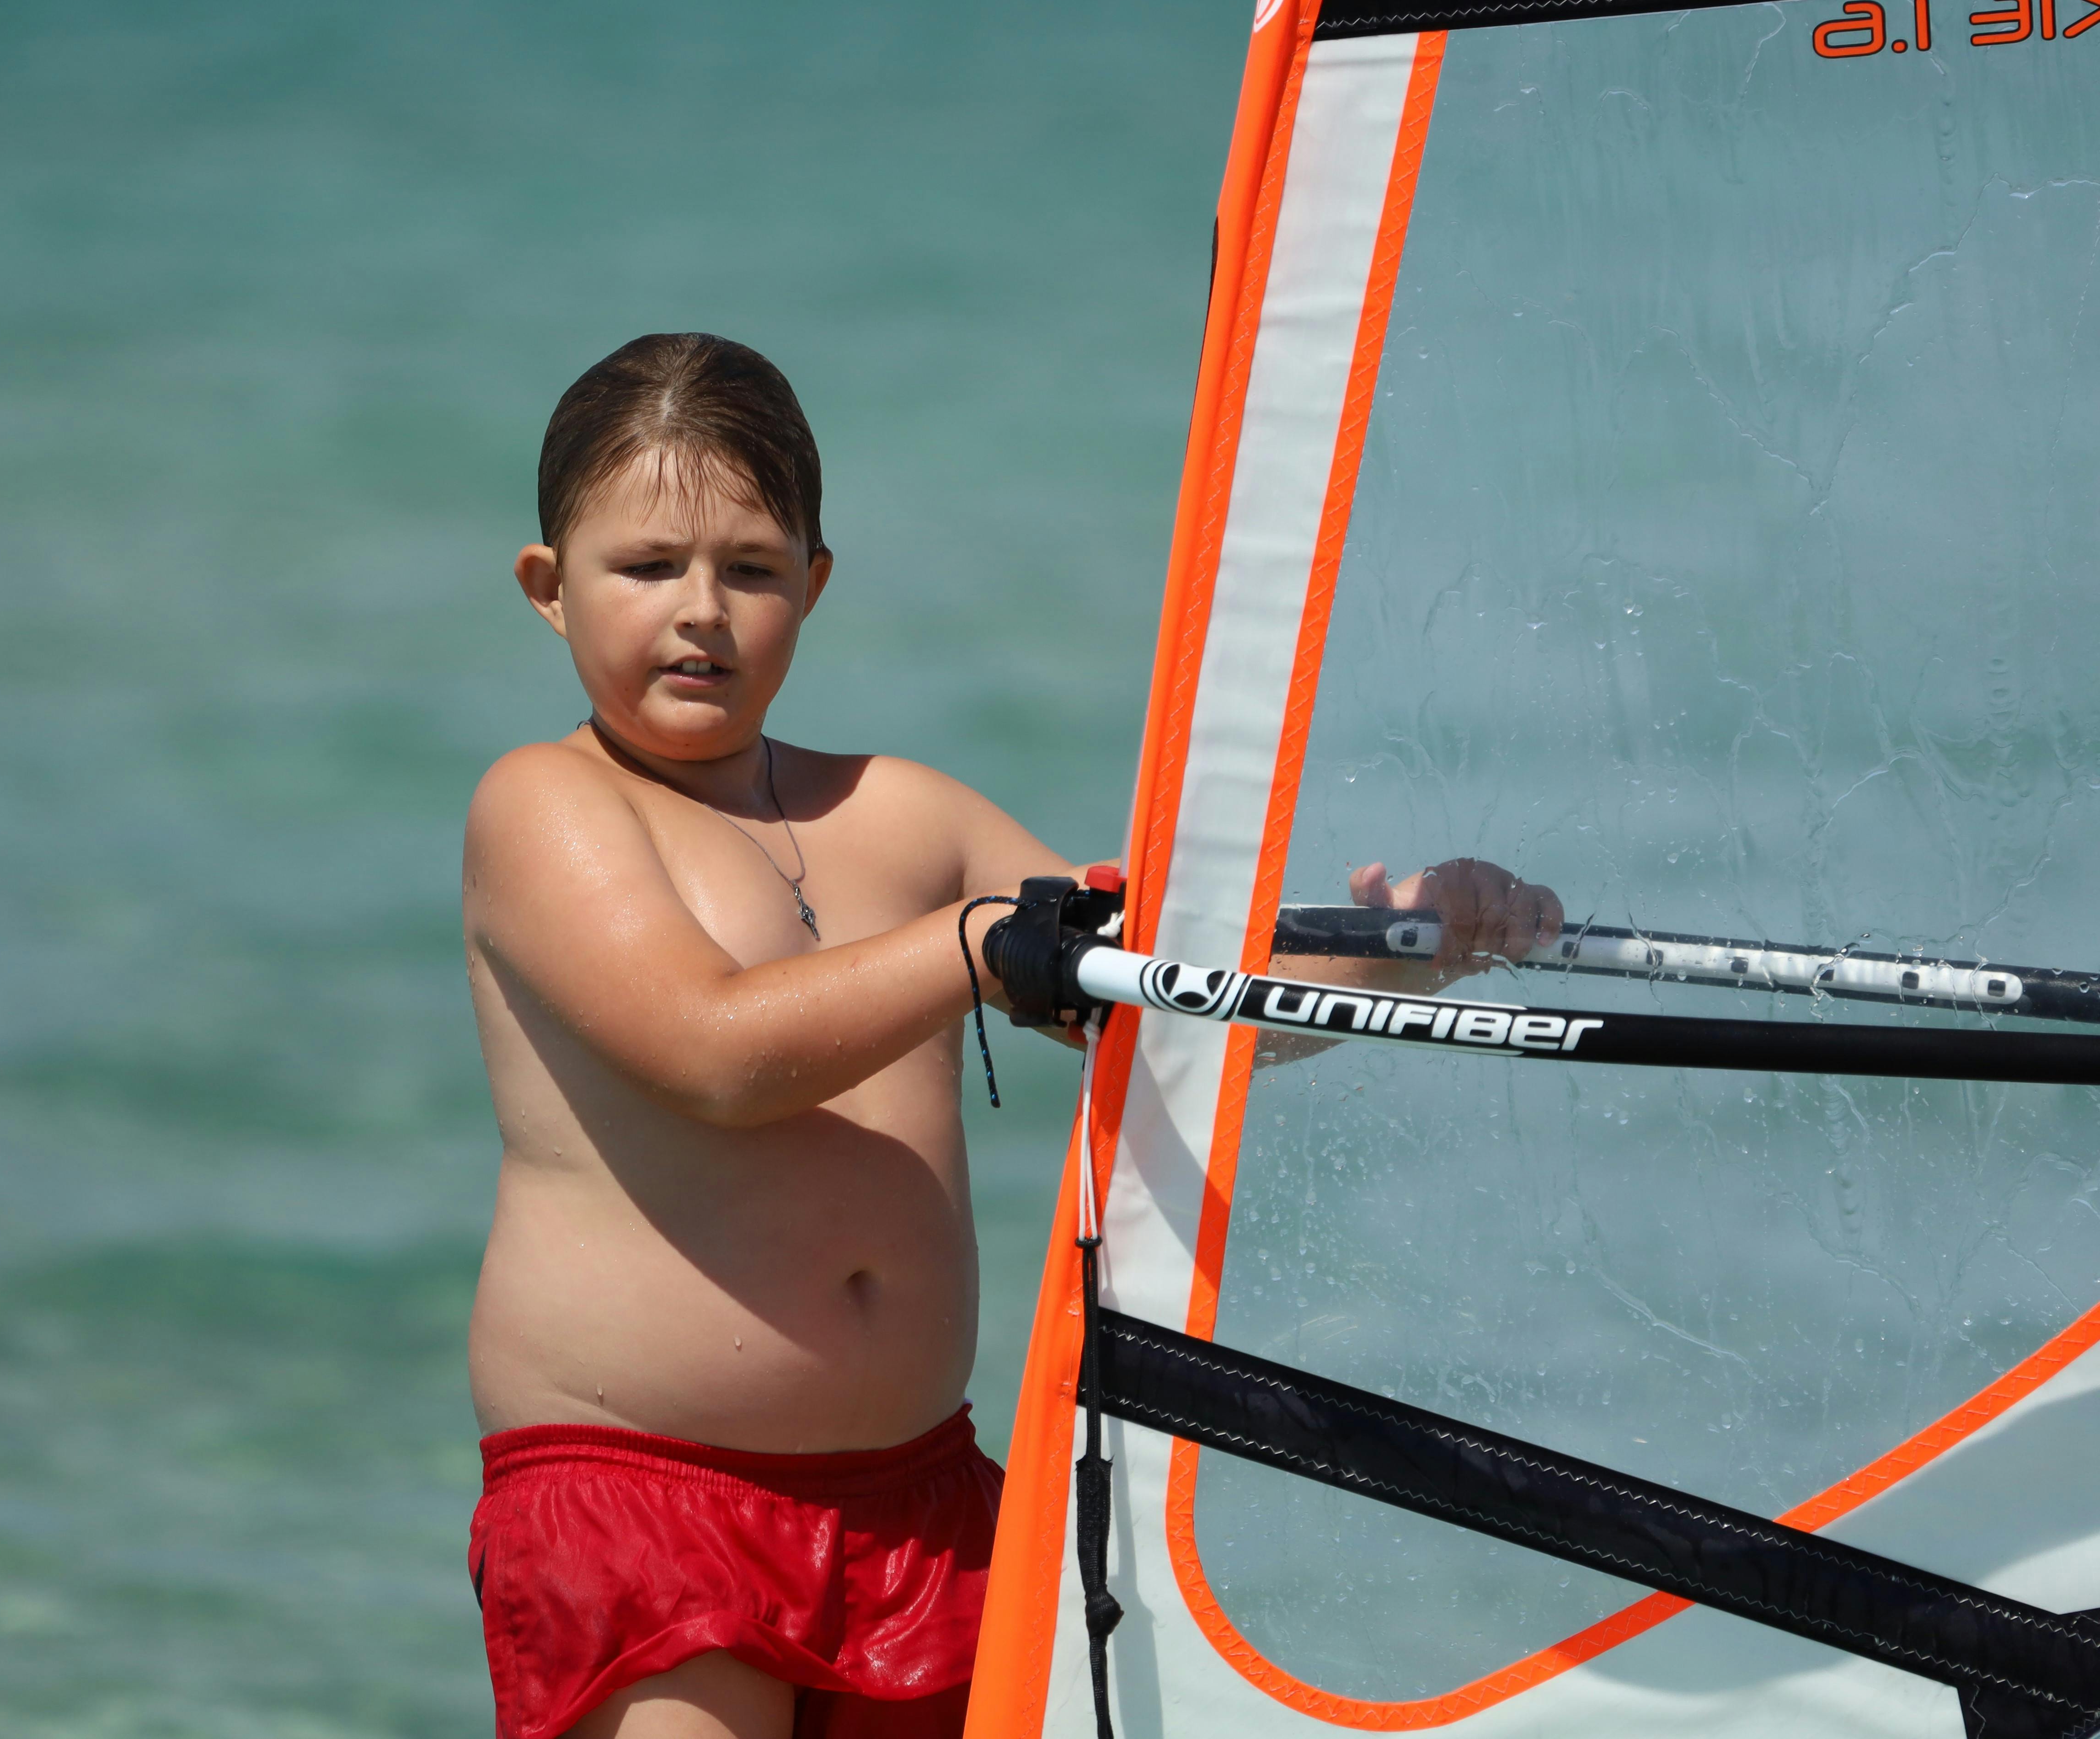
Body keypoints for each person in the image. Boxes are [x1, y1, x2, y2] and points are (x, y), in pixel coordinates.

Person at [459, 333, 1560, 1739]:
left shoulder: (908, 814)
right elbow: (717, 1053)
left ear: (817, 581)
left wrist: (1408, 944)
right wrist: (975, 945)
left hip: (922, 1501)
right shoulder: (547, 807)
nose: (703, 613)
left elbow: (1175, 983)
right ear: (549, 590)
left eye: (750, 567)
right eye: (648, 567)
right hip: (643, 1490)